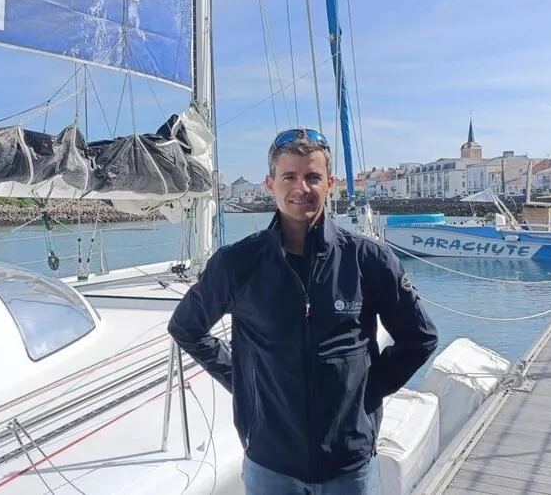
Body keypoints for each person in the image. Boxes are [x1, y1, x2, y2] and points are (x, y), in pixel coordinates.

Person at [167, 128, 439, 494]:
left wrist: (368, 390)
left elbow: (420, 338)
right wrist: (244, 382)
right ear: (271, 183)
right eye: (289, 176)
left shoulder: (367, 259)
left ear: (331, 182)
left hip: (350, 465)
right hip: (271, 464)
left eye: (313, 177)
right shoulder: (238, 263)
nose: (301, 188)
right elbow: (187, 327)